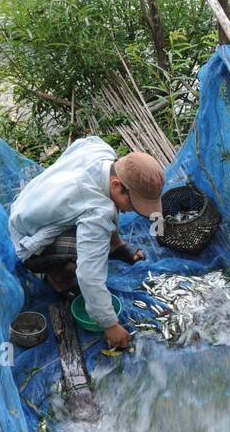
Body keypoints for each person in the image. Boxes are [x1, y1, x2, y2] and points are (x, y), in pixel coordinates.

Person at [9, 136, 164, 350]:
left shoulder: (99, 150)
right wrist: (109, 324)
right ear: (116, 184)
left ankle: (115, 245)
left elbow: (82, 142)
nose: (132, 210)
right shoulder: (96, 213)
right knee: (99, 226)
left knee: (104, 218)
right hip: (29, 236)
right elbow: (89, 275)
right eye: (134, 203)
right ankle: (58, 279)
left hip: (30, 205)